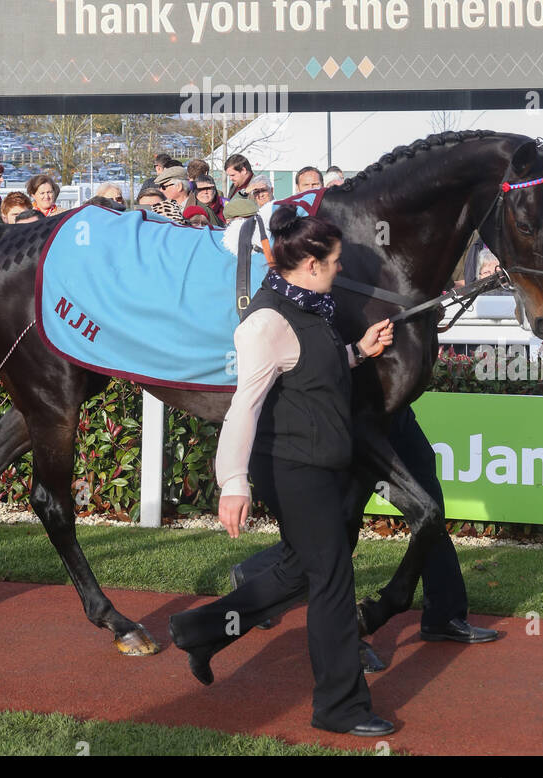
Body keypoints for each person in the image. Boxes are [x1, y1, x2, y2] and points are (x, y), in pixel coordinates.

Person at [169, 204, 397, 737]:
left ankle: (202, 630)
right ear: (312, 264)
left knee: (300, 569)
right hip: (295, 470)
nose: (342, 268)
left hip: (318, 463)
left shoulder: (311, 306)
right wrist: (232, 483)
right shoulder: (267, 321)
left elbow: (309, 369)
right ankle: (340, 707)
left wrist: (357, 353)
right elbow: (243, 408)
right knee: (333, 578)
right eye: (337, 260)